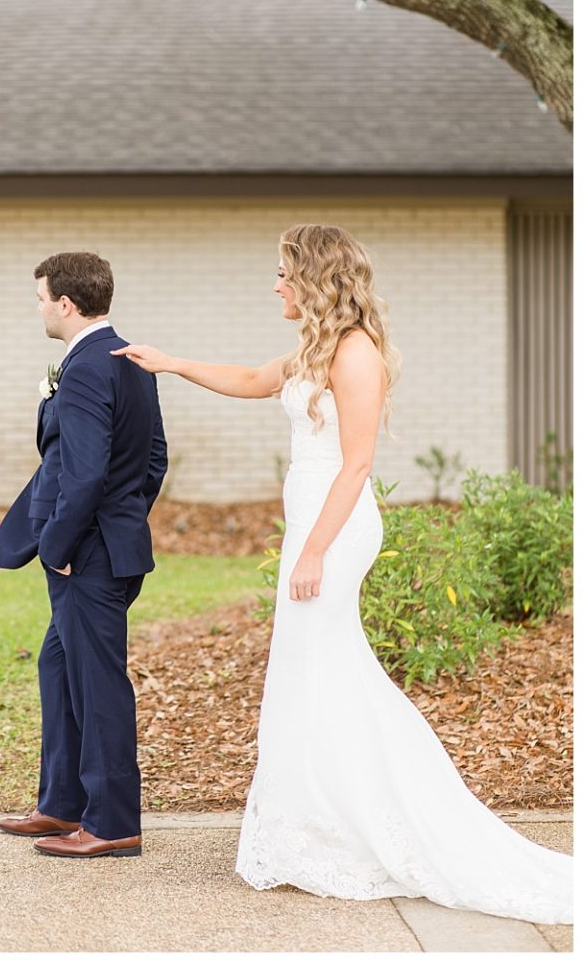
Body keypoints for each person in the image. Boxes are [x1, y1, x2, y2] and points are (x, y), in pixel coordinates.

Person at [113, 223, 572, 924]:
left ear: (315, 277)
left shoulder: (357, 354)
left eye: (282, 273)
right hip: (312, 524)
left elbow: (357, 463)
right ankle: (319, 823)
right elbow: (250, 380)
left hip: (336, 526)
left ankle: (378, 818)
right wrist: (170, 362)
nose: (274, 284)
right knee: (310, 673)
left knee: (325, 668)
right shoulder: (313, 348)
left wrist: (315, 549)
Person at [0, 251, 166, 858]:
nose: (37, 307)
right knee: (59, 666)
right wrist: (126, 519)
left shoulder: (89, 368)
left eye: (40, 298)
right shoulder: (131, 361)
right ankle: (62, 806)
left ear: (65, 303)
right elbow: (154, 461)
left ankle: (113, 824)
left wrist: (63, 546)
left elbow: (85, 473)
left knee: (98, 684)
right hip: (110, 544)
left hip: (85, 554)